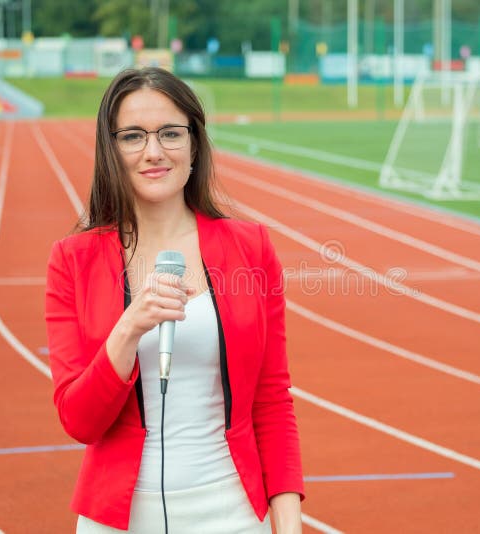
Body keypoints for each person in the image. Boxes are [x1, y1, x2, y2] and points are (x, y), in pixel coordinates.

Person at [45, 67, 304, 534]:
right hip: (118, 519)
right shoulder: (73, 260)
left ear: (194, 145)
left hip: (232, 511)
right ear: (111, 150)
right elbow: (79, 421)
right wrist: (129, 328)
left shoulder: (251, 249)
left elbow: (272, 401)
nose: (154, 151)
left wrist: (288, 525)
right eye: (133, 136)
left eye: (170, 133)